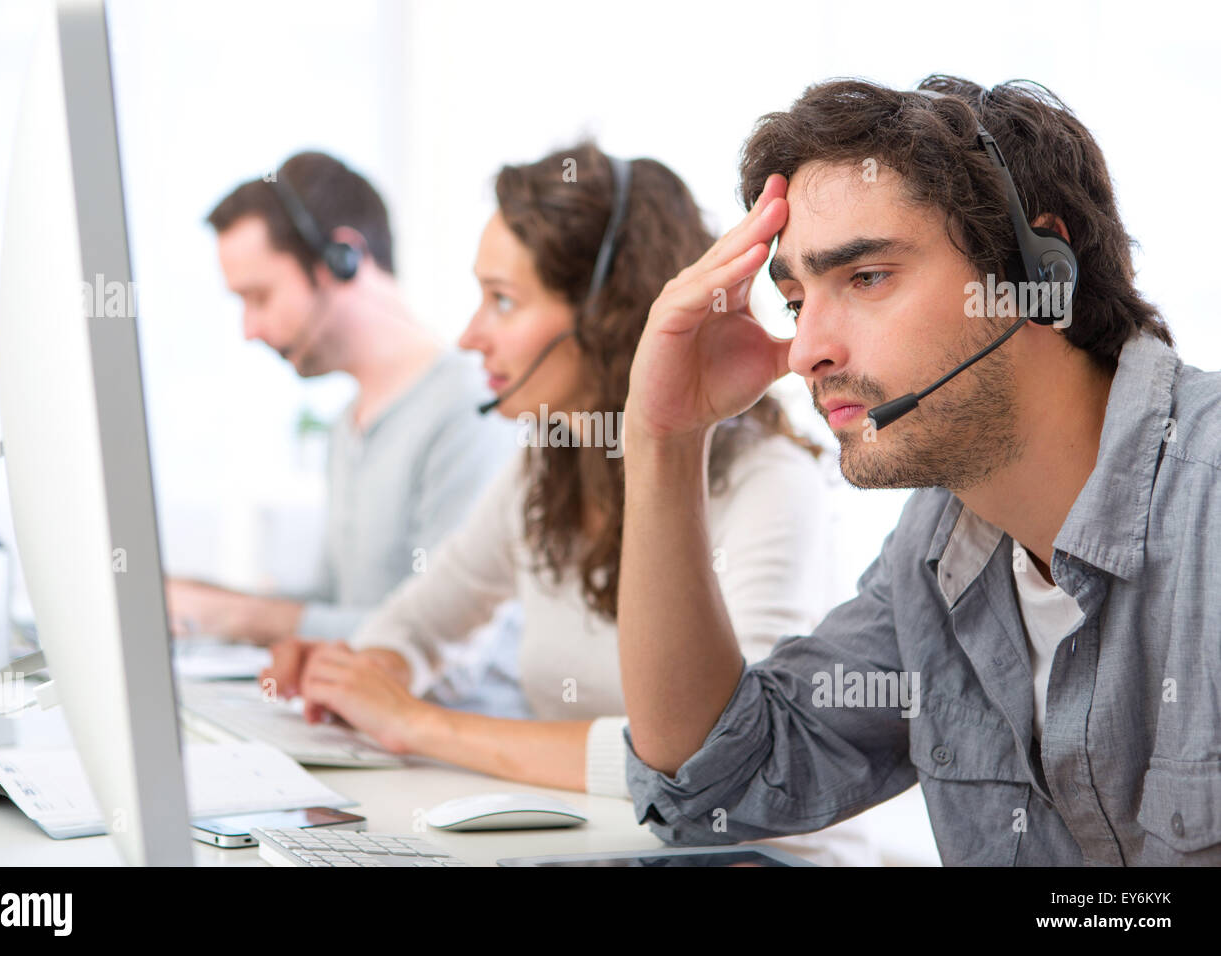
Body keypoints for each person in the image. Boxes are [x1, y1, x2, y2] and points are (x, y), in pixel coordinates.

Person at [617, 76, 1220, 865]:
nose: (806, 352)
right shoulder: (942, 543)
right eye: (797, 301)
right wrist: (664, 439)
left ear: (1040, 273)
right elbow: (718, 784)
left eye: (866, 279)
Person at [263, 143, 875, 865]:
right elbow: (425, 618)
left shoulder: (769, 480)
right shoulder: (547, 465)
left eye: (503, 300)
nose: (469, 336)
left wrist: (417, 725)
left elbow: (720, 759)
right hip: (608, 846)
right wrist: (359, 672)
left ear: (605, 316)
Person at [166, 151, 522, 713]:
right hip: (370, 743)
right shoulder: (344, 429)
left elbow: (446, 642)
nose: (249, 330)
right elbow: (340, 608)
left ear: (344, 258)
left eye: (259, 297)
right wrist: (201, 602)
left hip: (460, 757)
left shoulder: (474, 405)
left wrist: (237, 616)